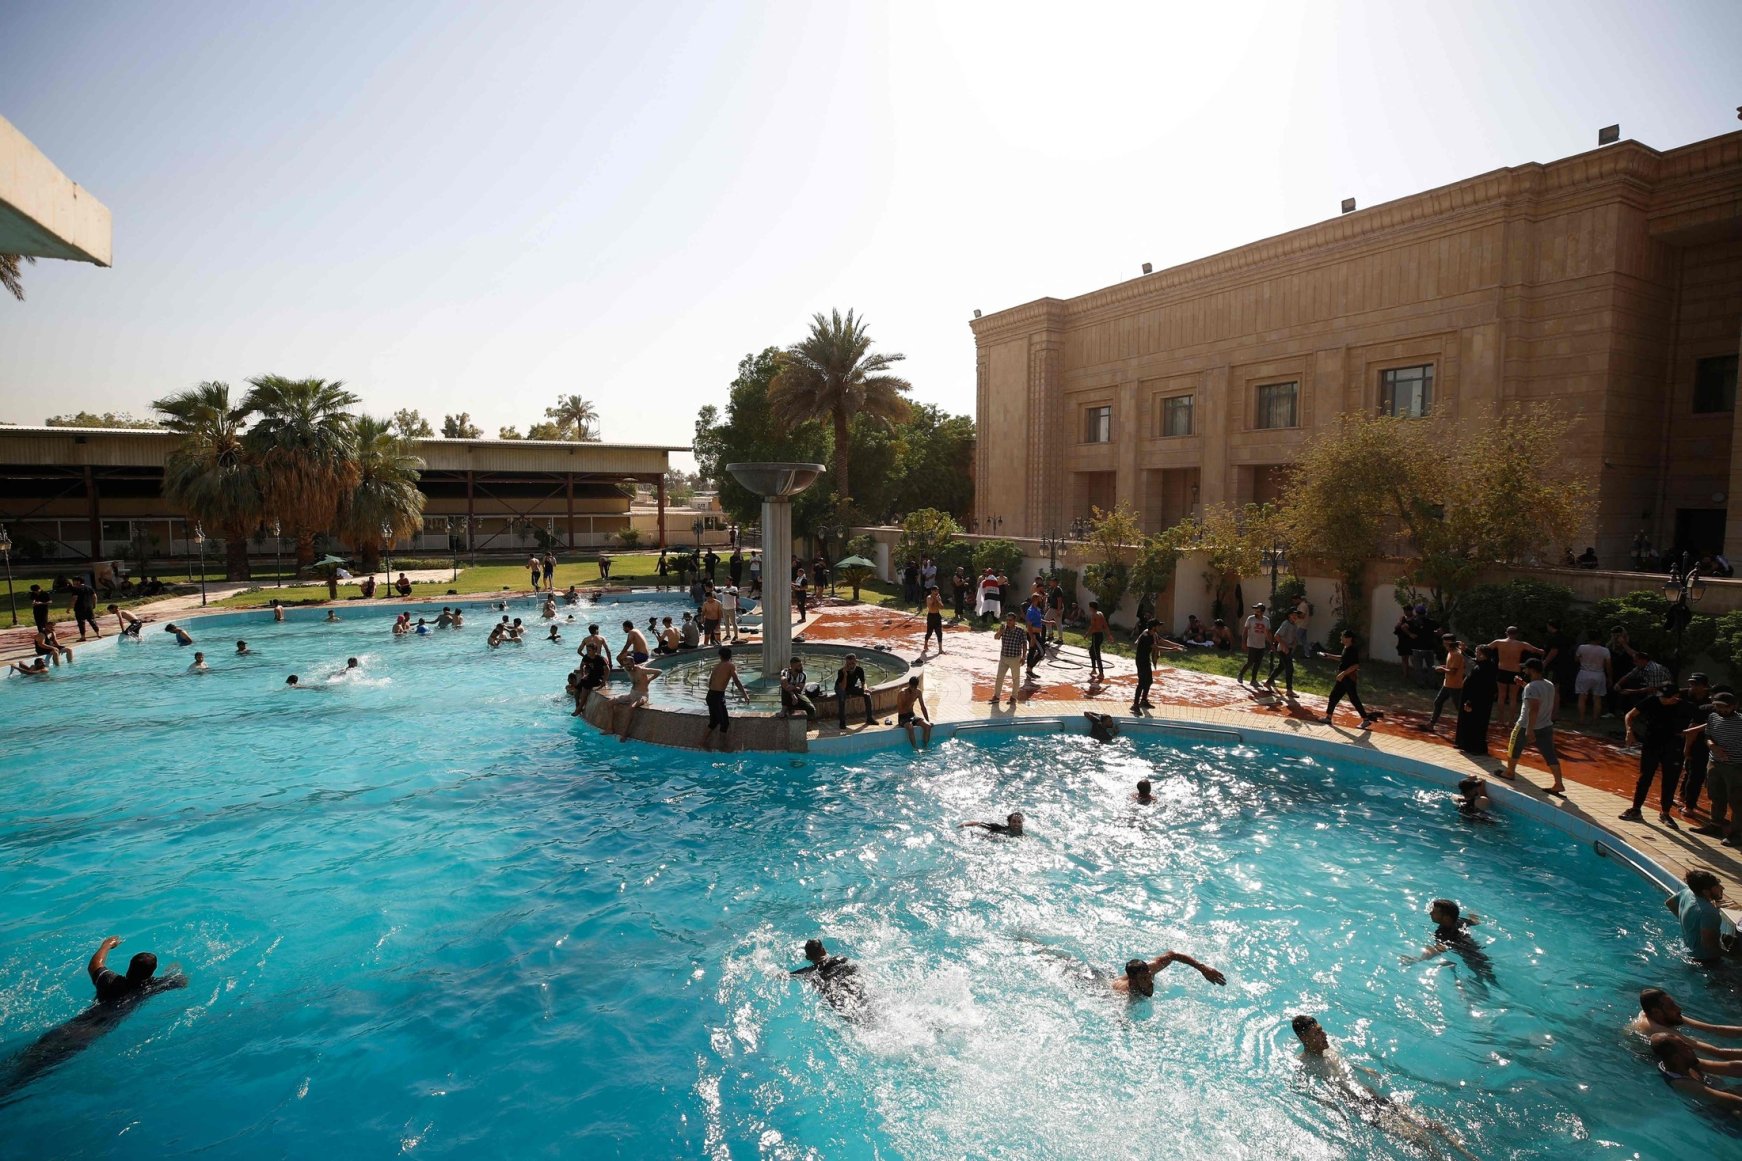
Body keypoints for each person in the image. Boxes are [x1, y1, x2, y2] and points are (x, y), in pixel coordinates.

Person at [0, 937, 190, 1097]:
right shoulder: (151, 988)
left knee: (22, 1060)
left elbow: (95, 964)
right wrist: (172, 970)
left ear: (129, 966)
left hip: (70, 1027)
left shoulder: (109, 980)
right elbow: (182, 981)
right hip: (88, 1036)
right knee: (25, 1077)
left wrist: (107, 945)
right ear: (151, 973)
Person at [1290, 1015, 1479, 1160]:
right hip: (1363, 1108)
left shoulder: (1330, 1048)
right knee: (1420, 1137)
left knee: (1434, 1126)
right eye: (1317, 1033)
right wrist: (1332, 1106)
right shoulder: (1305, 1064)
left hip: (1374, 1096)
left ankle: (1470, 1156)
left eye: (1322, 1030)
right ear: (1305, 1038)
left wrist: (1364, 1069)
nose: (1324, 1035)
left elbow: (1344, 1065)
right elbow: (1304, 1090)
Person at [1622, 683, 1695, 826]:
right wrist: (1629, 731)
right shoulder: (1652, 701)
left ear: (1676, 697)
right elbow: (1630, 715)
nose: (1663, 699)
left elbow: (1701, 721)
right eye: (1662, 696)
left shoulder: (1685, 707)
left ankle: (1665, 813)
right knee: (1645, 777)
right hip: (1651, 743)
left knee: (1670, 779)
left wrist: (1687, 737)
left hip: (1673, 746)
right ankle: (1636, 809)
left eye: (1667, 697)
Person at [1498, 658, 1565, 795]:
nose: (1524, 670)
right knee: (1550, 754)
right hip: (1545, 725)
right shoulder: (1548, 684)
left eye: (1526, 668)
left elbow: (1533, 708)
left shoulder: (1531, 687)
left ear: (1532, 670)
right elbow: (1537, 694)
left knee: (1514, 746)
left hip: (1525, 725)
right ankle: (1558, 784)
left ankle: (1510, 772)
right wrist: (1523, 684)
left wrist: (1529, 729)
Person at [1688, 691, 1742, 845]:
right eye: (1717, 706)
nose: (1720, 709)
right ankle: (1715, 825)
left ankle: (1736, 834)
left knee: (1737, 800)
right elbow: (1708, 736)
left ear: (1733, 706)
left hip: (1736, 766)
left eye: (1723, 707)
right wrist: (1712, 746)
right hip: (1715, 763)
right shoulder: (1712, 717)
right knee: (1716, 795)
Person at [1401, 899, 1495, 985]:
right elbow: (1474, 921)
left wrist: (1417, 960)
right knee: (1491, 980)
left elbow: (1439, 949)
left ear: (1446, 918)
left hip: (1470, 959)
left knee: (1482, 982)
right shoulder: (1460, 921)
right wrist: (1473, 914)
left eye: (1434, 912)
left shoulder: (1442, 933)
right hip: (1479, 954)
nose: (1430, 913)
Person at [1631, 987, 1742, 1056]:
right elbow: (1716, 1052)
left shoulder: (1658, 1013)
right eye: (1671, 1006)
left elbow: (1713, 1029)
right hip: (1652, 1058)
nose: (1679, 1009)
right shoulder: (1654, 1028)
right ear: (1656, 1012)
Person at [1649, 1034, 1742, 1113]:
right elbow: (1732, 1102)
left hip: (1722, 1095)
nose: (1690, 1047)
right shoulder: (1681, 1083)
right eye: (1685, 1048)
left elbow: (1730, 1067)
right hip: (1716, 1113)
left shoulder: (1684, 1061)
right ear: (1677, 1058)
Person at [1666, 869, 1732, 963]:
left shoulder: (1687, 893)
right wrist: (1733, 957)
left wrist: (1688, 922)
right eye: (1717, 886)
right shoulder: (1709, 912)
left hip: (1687, 950)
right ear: (1705, 891)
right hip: (1706, 962)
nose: (1722, 888)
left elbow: (1669, 903)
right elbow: (1709, 946)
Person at [789, 938, 864, 1014]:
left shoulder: (809, 972)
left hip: (832, 995)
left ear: (808, 958)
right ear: (823, 950)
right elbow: (855, 968)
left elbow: (788, 975)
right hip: (849, 985)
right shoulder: (840, 959)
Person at [1111, 951, 1227, 997]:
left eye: (1149, 976)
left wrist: (1202, 968)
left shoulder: (1150, 969)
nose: (1150, 981)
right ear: (1133, 982)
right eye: (1144, 979)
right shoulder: (1125, 996)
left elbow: (1172, 955)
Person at [1323, 630, 1378, 728]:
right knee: (1333, 696)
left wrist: (1343, 674)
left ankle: (1365, 720)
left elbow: (1356, 665)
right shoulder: (1346, 648)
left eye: (1342, 636)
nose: (1341, 638)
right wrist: (1329, 656)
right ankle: (1328, 718)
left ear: (1349, 638)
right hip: (1343, 678)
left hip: (1348, 679)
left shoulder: (1352, 649)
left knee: (1354, 699)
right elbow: (1343, 658)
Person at [1454, 645, 1499, 755]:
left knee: (1476, 724)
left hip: (1478, 701)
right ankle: (1467, 744)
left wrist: (1470, 701)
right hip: (1478, 700)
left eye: (1477, 653)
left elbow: (1479, 688)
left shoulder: (1484, 668)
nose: (1476, 654)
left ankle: (1476, 747)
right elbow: (1472, 659)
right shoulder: (1486, 664)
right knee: (1470, 722)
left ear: (1483, 655)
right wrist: (1465, 650)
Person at [702, 646, 748, 752]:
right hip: (717, 696)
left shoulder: (717, 666)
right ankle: (722, 746)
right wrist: (745, 694)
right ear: (730, 656)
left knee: (715, 722)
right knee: (724, 723)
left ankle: (703, 742)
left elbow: (710, 683)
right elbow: (736, 681)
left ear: (720, 656)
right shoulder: (730, 665)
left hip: (711, 695)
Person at [1486, 627, 1542, 714]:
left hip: (1502, 670)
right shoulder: (1521, 644)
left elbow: (1484, 648)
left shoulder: (1498, 642)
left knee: (1501, 696)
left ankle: (1500, 720)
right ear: (1517, 634)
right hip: (1515, 671)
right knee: (1513, 697)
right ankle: (1511, 721)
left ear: (1506, 633)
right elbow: (1537, 650)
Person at [609, 658, 660, 737]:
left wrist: (649, 680)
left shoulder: (641, 670)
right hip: (632, 694)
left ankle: (625, 733)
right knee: (610, 702)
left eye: (629, 664)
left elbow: (659, 671)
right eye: (625, 665)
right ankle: (610, 728)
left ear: (633, 663)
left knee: (631, 707)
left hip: (642, 695)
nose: (627, 666)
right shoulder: (626, 670)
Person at [1424, 635, 1464, 731]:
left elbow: (1452, 671)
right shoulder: (1450, 652)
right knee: (1438, 702)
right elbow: (1450, 666)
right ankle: (1431, 724)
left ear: (1453, 642)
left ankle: (1468, 727)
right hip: (1447, 684)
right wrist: (1443, 666)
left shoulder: (1456, 654)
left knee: (1460, 708)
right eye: (1444, 643)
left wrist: (1442, 669)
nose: (1446, 645)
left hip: (1455, 685)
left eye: (1448, 643)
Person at [1573, 629, 1612, 725]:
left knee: (1582, 697)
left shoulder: (1582, 647)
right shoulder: (1605, 650)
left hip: (1584, 672)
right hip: (1599, 674)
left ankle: (1581, 719)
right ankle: (1595, 720)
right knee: (1597, 698)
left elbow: (1576, 659)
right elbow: (1608, 665)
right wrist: (1610, 677)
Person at [991, 611, 1027, 705]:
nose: (1008, 622)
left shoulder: (1020, 630)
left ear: (1015, 621)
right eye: (1007, 620)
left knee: (1015, 678)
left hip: (1015, 658)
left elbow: (1024, 644)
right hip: (1004, 657)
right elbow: (996, 637)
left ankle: (1014, 697)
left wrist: (1024, 657)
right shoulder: (1003, 628)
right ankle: (996, 696)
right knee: (999, 677)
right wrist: (1000, 631)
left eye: (1010, 620)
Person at [834, 654, 876, 730]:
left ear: (856, 662)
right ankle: (842, 722)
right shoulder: (841, 671)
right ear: (846, 663)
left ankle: (869, 718)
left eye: (852, 663)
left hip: (851, 687)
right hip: (840, 688)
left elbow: (863, 682)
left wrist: (865, 689)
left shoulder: (860, 670)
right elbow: (843, 687)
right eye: (849, 664)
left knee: (867, 695)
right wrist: (845, 675)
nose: (851, 666)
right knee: (842, 697)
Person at [1237, 603, 1270, 687]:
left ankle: (1253, 680)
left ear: (1262, 611)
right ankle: (1241, 674)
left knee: (1258, 663)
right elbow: (1245, 631)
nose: (1256, 611)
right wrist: (1243, 642)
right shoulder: (1250, 619)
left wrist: (1271, 643)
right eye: (1255, 609)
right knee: (1250, 661)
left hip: (1261, 645)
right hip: (1252, 644)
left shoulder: (1266, 620)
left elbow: (1267, 632)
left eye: (1258, 610)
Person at [1131, 619, 1158, 713]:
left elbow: (1161, 643)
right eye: (1157, 626)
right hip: (1141, 661)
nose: (1159, 628)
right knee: (1141, 683)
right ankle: (1135, 705)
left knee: (1149, 681)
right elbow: (1157, 647)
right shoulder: (1146, 636)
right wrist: (1173, 649)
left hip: (1146, 661)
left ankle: (1144, 700)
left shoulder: (1150, 633)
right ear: (1153, 627)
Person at [896, 676, 932, 749]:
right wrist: (911, 698)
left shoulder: (918, 692)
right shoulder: (902, 693)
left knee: (928, 726)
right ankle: (915, 748)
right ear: (909, 685)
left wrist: (928, 721)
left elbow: (923, 707)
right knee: (910, 727)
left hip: (912, 715)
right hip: (903, 717)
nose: (913, 689)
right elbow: (901, 709)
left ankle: (925, 747)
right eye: (912, 687)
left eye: (915, 687)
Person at [781, 656, 817, 720]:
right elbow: (784, 683)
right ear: (792, 666)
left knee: (812, 709)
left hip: (798, 695)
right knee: (785, 687)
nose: (801, 667)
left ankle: (806, 724)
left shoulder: (803, 675)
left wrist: (793, 687)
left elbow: (800, 689)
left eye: (801, 665)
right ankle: (785, 707)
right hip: (788, 694)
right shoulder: (785, 672)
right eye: (799, 665)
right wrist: (792, 694)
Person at [68, 576, 100, 640]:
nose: (73, 582)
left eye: (74, 581)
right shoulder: (89, 587)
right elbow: (94, 596)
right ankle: (98, 634)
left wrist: (69, 608)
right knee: (92, 620)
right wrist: (94, 605)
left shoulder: (76, 589)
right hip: (89, 607)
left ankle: (83, 637)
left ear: (78, 581)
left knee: (81, 622)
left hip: (79, 608)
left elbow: (74, 599)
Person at [1085, 602, 1110, 682]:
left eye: (1089, 607)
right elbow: (1105, 624)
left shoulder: (1093, 615)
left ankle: (1101, 673)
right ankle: (1094, 669)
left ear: (1092, 607)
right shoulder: (1100, 613)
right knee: (1091, 652)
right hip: (1100, 635)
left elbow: (1092, 626)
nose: (1089, 608)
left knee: (1097, 654)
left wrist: (1087, 634)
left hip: (1096, 636)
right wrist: (1109, 635)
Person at [922, 585, 946, 654]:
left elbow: (942, 607)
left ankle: (940, 649)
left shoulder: (938, 597)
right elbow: (931, 607)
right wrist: (936, 600)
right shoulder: (929, 598)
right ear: (932, 591)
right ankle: (926, 643)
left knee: (939, 633)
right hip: (931, 616)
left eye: (937, 590)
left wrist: (939, 601)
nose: (937, 592)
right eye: (935, 591)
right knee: (929, 632)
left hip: (937, 616)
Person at [959, 812, 1024, 836]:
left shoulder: (1022, 836)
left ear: (1022, 823)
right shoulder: (999, 828)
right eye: (1014, 821)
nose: (1016, 824)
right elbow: (978, 823)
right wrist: (963, 824)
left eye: (1019, 822)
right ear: (1009, 823)